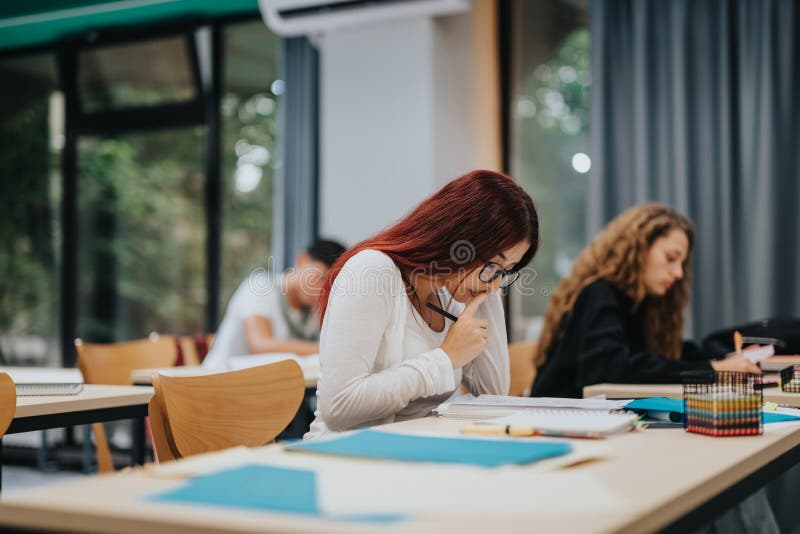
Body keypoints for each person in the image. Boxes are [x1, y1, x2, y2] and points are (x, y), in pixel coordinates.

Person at [304, 170, 539, 438]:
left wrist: (488, 287)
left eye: (506, 272)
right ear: (459, 239)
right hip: (343, 456)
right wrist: (445, 358)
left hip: (408, 454)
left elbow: (493, 393)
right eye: (495, 265)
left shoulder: (448, 296)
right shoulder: (373, 270)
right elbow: (339, 407)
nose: (496, 284)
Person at [531, 203, 759, 398]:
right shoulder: (599, 293)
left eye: (682, 264)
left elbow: (664, 355)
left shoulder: (642, 303)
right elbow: (610, 367)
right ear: (637, 249)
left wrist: (725, 361)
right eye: (671, 258)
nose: (679, 273)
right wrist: (714, 369)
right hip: (556, 420)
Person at [203, 238, 346, 370]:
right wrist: (326, 349)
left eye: (330, 284)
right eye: (320, 278)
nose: (321, 289)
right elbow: (260, 345)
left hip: (266, 387)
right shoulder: (260, 287)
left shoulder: (311, 309)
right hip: (219, 380)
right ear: (303, 260)